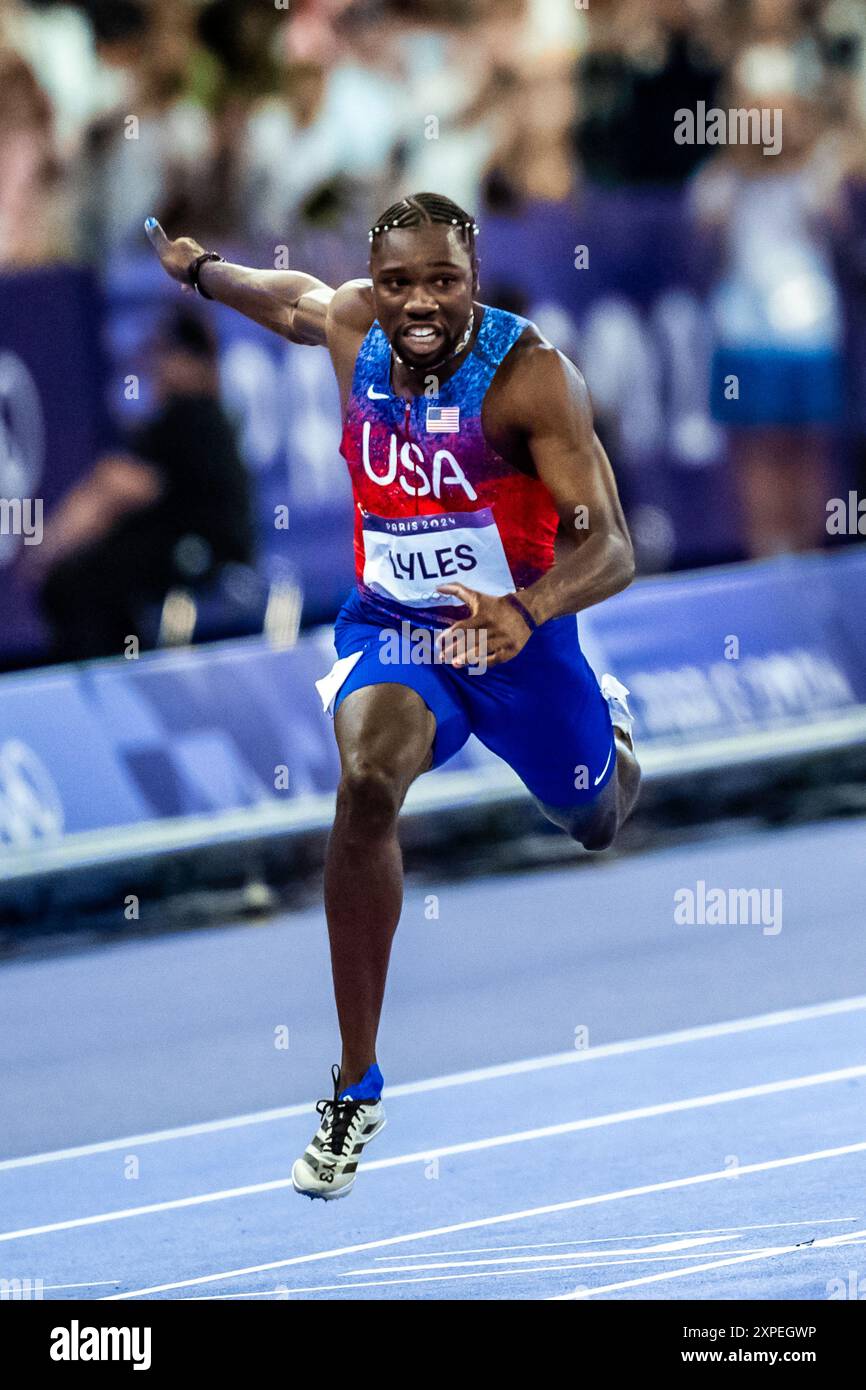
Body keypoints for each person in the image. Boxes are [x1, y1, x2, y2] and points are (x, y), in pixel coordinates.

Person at [145, 190, 640, 1200]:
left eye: (443, 282)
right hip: (398, 630)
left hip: (516, 637)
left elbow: (611, 545)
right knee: (365, 782)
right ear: (376, 282)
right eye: (398, 282)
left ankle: (606, 720)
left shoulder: (531, 377)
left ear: (472, 278)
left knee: (594, 813)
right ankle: (355, 1082)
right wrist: (201, 271)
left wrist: (531, 608)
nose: (419, 304)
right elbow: (286, 301)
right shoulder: (353, 324)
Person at [38, 307, 254, 662]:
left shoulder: (189, 417)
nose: (157, 368)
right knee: (102, 569)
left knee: (75, 582)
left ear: (189, 361)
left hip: (200, 552)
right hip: (203, 546)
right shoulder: (208, 417)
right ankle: (124, 663)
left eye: (165, 356)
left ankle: (113, 673)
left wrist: (50, 547)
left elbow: (120, 484)